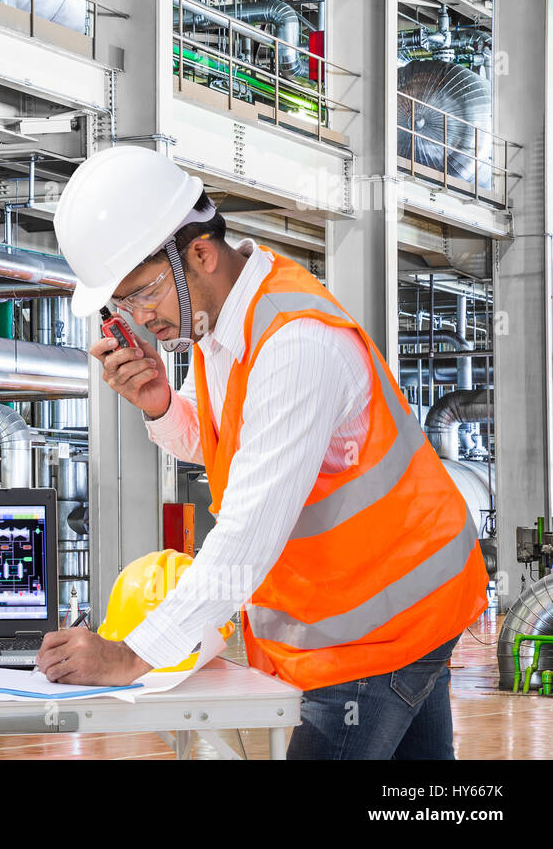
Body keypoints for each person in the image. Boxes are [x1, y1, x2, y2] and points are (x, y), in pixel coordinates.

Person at [35, 146, 489, 759]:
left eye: (141, 294)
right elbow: (229, 446)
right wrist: (160, 404)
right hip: (398, 606)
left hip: (371, 628)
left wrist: (130, 655)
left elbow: (249, 529)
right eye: (122, 305)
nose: (138, 319)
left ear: (198, 253)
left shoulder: (294, 344)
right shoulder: (216, 324)